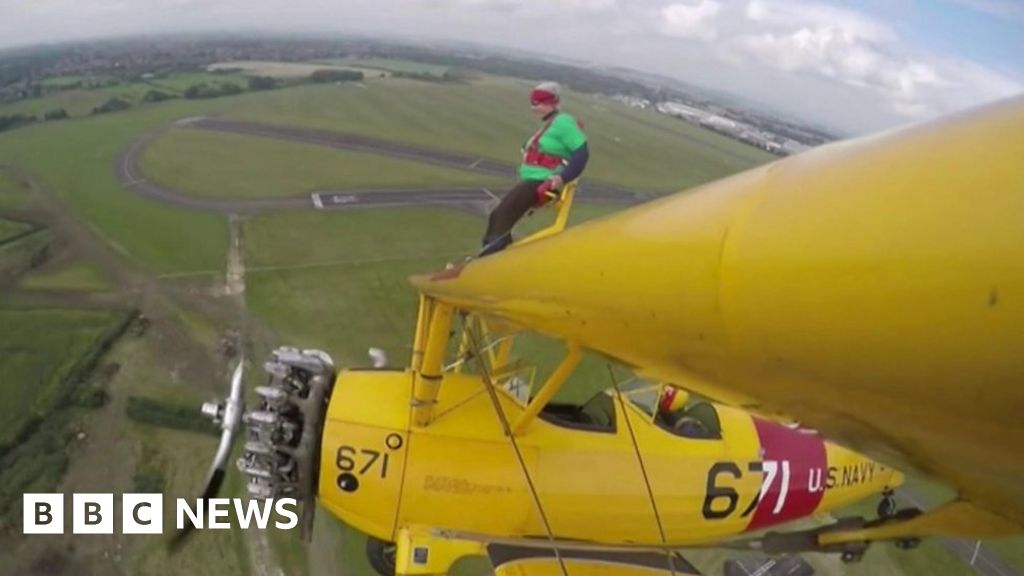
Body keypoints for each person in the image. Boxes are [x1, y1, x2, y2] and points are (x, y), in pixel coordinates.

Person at [480, 81, 589, 256]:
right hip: (535, 180)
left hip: (542, 181)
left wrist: (562, 178)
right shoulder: (550, 125)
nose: (533, 106)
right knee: (499, 215)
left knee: (502, 214)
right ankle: (495, 253)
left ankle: (490, 257)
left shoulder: (563, 122)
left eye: (537, 102)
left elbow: (582, 153)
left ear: (551, 101)